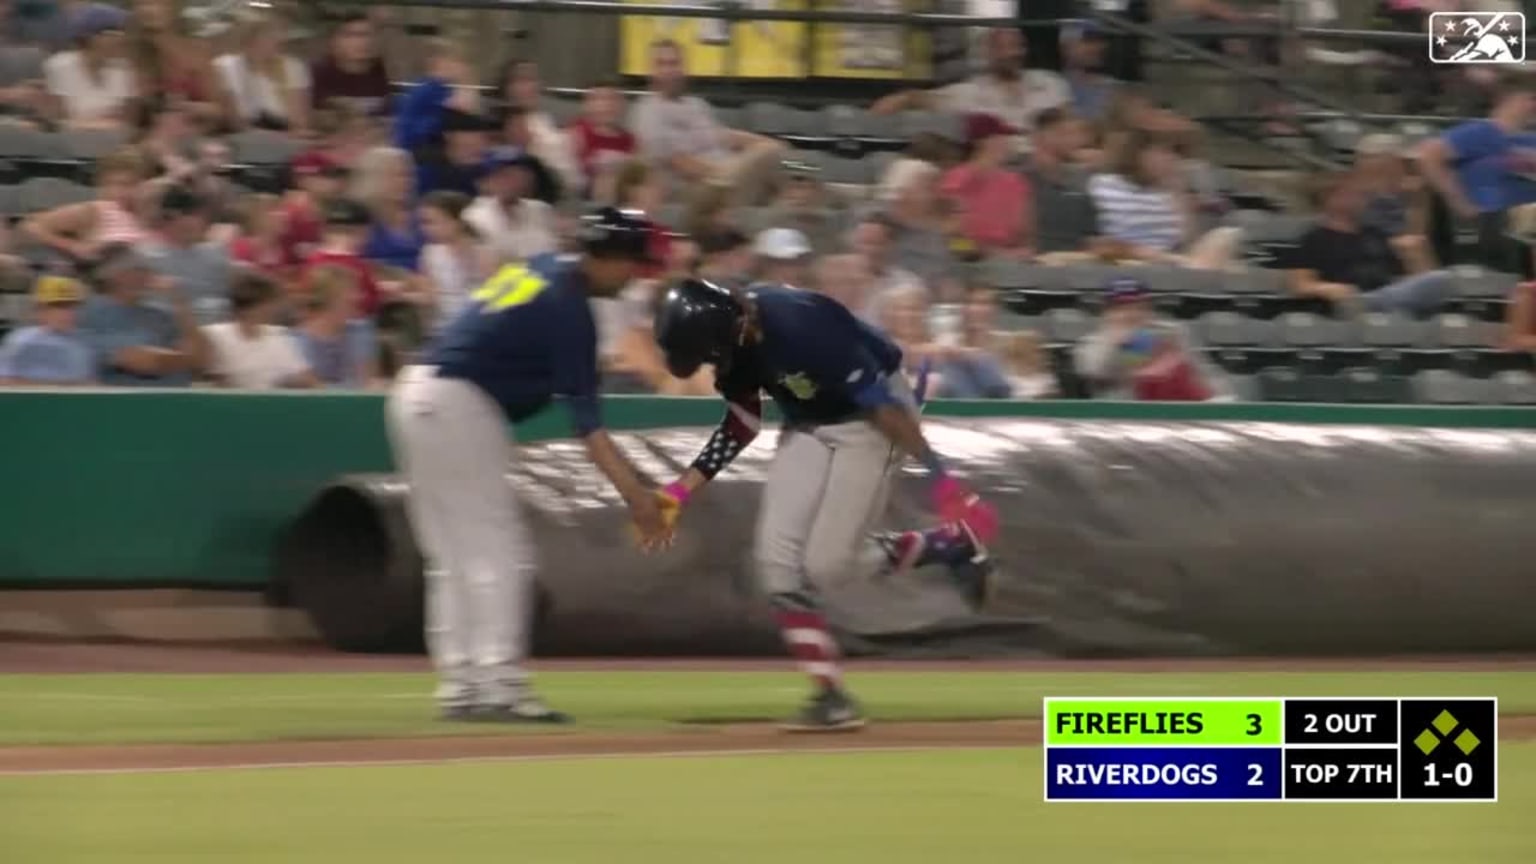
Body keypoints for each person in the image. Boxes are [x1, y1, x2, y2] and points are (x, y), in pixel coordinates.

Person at [650, 279, 999, 731]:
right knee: (775, 562)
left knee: (828, 566)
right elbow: (742, 422)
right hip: (809, 422)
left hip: (874, 419)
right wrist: (679, 492)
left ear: (722, 334)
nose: (708, 363)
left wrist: (943, 480)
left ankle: (948, 544)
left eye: (706, 354)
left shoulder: (801, 323)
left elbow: (882, 407)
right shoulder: (737, 340)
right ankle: (830, 697)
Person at [387, 207, 670, 723]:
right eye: (633, 263)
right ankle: (499, 687)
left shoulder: (542, 267)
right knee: (499, 552)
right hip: (458, 401)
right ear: (609, 257)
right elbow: (589, 431)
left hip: (416, 391)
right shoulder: (569, 307)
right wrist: (638, 498)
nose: (635, 276)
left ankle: (463, 686)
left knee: (451, 554)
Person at [1291, 171, 1453, 315]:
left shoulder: (1375, 234)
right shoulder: (1313, 238)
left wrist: (1415, 255)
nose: (1360, 198)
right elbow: (1300, 285)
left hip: (1387, 300)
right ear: (1329, 199)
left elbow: (1408, 275)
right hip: (1346, 304)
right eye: (1350, 193)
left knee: (1440, 281)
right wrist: (1328, 289)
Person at [77, 242, 208, 386]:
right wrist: (187, 360)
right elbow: (142, 361)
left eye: (147, 270)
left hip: (178, 394)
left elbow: (201, 361)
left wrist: (180, 304)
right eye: (136, 269)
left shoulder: (160, 315)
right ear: (111, 275)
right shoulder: (89, 313)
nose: (145, 276)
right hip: (129, 395)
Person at [202, 268, 318, 389]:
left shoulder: (280, 336)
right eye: (267, 304)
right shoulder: (215, 335)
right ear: (249, 308)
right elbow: (214, 381)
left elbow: (309, 381)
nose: (273, 309)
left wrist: (296, 383)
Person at [0, 275, 93, 385]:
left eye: (72, 307)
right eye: (59, 307)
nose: (68, 313)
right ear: (40, 310)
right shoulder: (22, 341)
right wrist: (57, 386)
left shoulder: (83, 343)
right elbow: (4, 382)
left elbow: (88, 385)